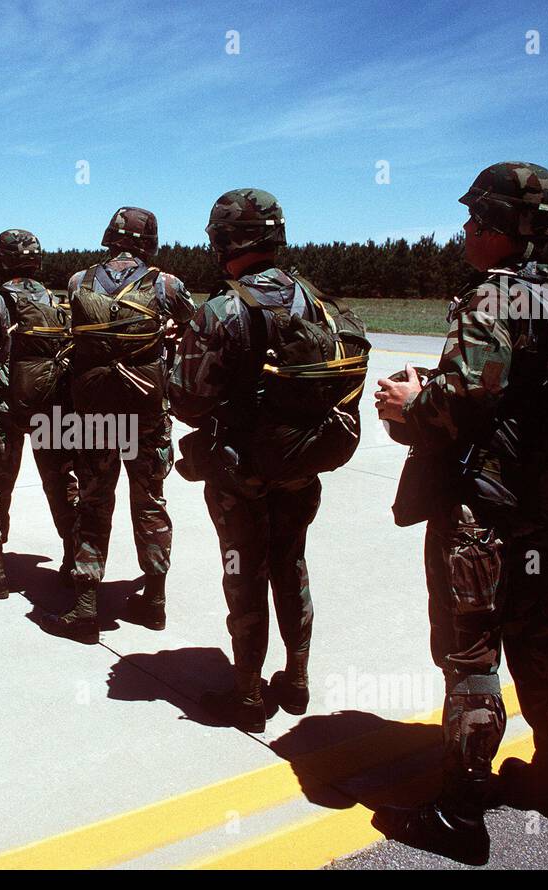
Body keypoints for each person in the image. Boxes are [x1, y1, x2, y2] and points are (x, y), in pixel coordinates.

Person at [372, 162, 548, 865]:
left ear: (501, 228)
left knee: (470, 651)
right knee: (538, 632)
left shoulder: (491, 300)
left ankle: (460, 812)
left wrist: (412, 401)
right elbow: (522, 394)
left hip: (482, 511)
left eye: (475, 222)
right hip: (542, 508)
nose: (466, 231)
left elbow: (465, 402)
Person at [169, 188, 366, 732]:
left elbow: (188, 399)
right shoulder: (316, 300)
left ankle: (248, 696)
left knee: (243, 576)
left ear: (226, 240)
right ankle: (296, 680)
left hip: (241, 473)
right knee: (291, 564)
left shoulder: (222, 309)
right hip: (302, 465)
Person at [42, 207, 196, 642]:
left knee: (93, 501)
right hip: (146, 412)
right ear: (150, 241)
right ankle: (155, 600)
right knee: (150, 503)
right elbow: (196, 329)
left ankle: (85, 606)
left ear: (110, 236)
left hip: (93, 414)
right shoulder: (167, 285)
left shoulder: (78, 282)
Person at [0, 229, 78, 598]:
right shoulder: (57, 301)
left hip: (3, 409)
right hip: (50, 409)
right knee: (61, 484)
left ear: (0, 259)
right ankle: (74, 562)